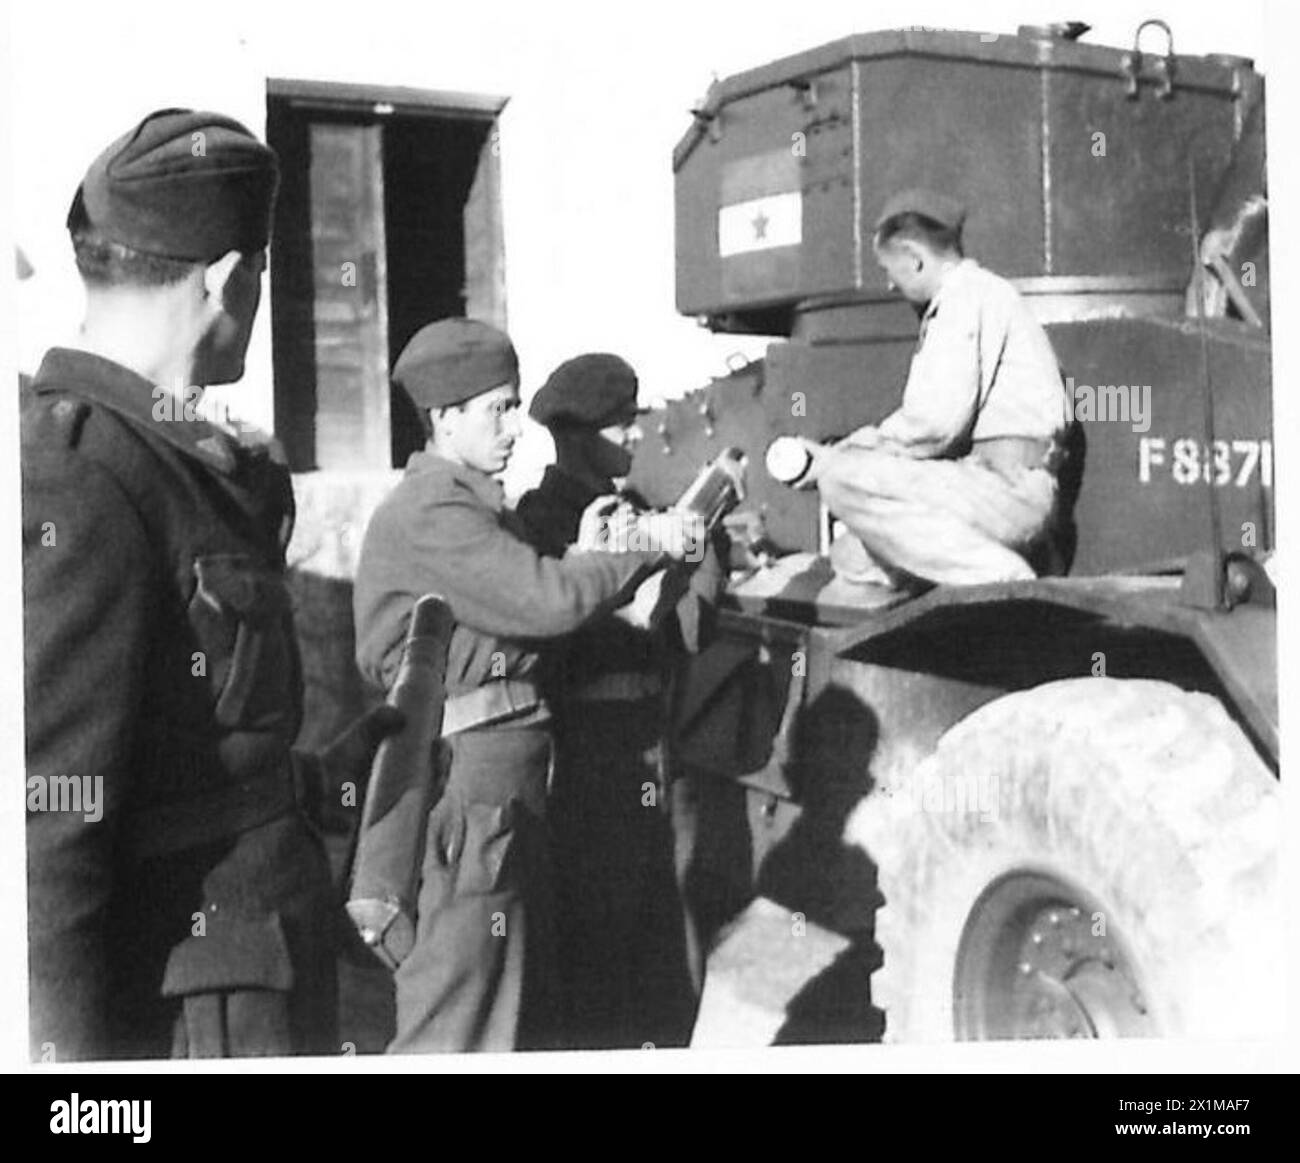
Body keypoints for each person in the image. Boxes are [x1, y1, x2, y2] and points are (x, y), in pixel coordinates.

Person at [23, 109, 395, 1061]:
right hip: (201, 1013)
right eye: (262, 273)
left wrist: (313, 778)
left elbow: (187, 749)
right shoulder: (82, 474)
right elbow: (47, 832)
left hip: (256, 969)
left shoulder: (175, 458)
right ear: (232, 278)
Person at [352, 322, 697, 1053]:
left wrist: (588, 553)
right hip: (468, 798)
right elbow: (547, 600)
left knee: (520, 1020)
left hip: (508, 797)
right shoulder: (430, 512)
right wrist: (639, 550)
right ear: (445, 419)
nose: (515, 428)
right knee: (459, 1023)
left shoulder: (479, 510)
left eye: (515, 406)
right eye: (496, 410)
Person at [516, 353, 725, 1048]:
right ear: (576, 435)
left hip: (652, 740)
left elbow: (688, 631)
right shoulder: (537, 521)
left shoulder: (640, 511)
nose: (635, 438)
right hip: (590, 751)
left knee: (666, 941)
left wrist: (700, 548)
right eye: (619, 425)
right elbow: (552, 635)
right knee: (598, 938)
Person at [795, 188, 1069, 587]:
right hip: (1005, 482)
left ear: (914, 258)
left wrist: (839, 456)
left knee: (839, 480)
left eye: (891, 271)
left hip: (1007, 488)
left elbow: (933, 423)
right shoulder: (986, 293)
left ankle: (1001, 582)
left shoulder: (962, 297)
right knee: (852, 555)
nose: (890, 285)